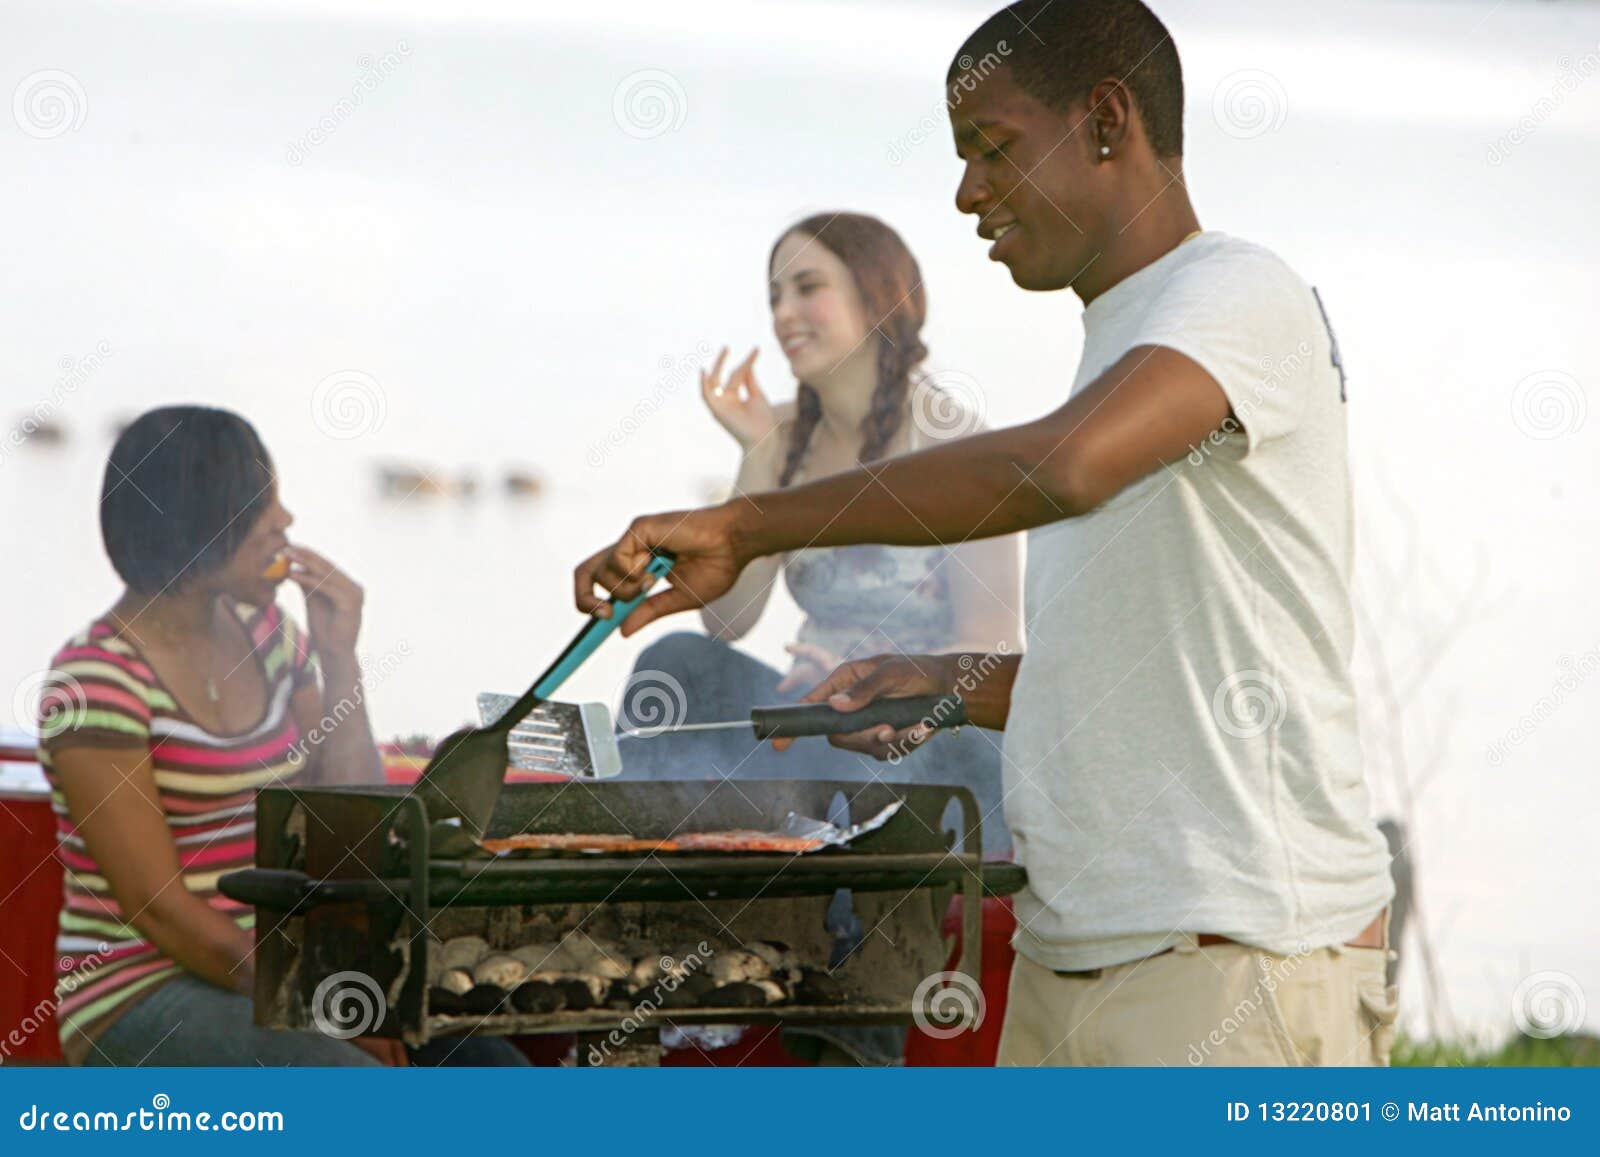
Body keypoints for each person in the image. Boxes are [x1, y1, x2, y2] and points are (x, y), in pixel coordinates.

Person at [575, 0, 1398, 1067]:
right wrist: (942, 682)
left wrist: (747, 522)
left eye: (992, 150)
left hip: (1234, 958)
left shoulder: (1235, 294)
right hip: (1080, 951)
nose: (965, 193)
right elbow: (1128, 664)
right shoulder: (1126, 342)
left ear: (1106, 120)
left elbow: (1054, 465)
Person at [37, 406, 525, 1067]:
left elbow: (350, 822)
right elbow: (159, 908)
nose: (285, 523)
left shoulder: (267, 638)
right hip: (143, 996)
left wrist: (338, 655)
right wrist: (323, 1005)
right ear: (199, 530)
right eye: (259, 507)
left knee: (498, 1070)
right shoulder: (95, 682)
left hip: (282, 972)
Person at [617, 211, 1021, 858]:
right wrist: (755, 452)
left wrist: (867, 675)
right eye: (775, 295)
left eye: (807, 288)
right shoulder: (780, 436)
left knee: (931, 742)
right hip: (812, 715)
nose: (783, 313)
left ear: (875, 294)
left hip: (920, 726)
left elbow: (989, 645)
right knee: (677, 663)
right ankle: (657, 871)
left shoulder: (954, 440)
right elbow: (728, 621)